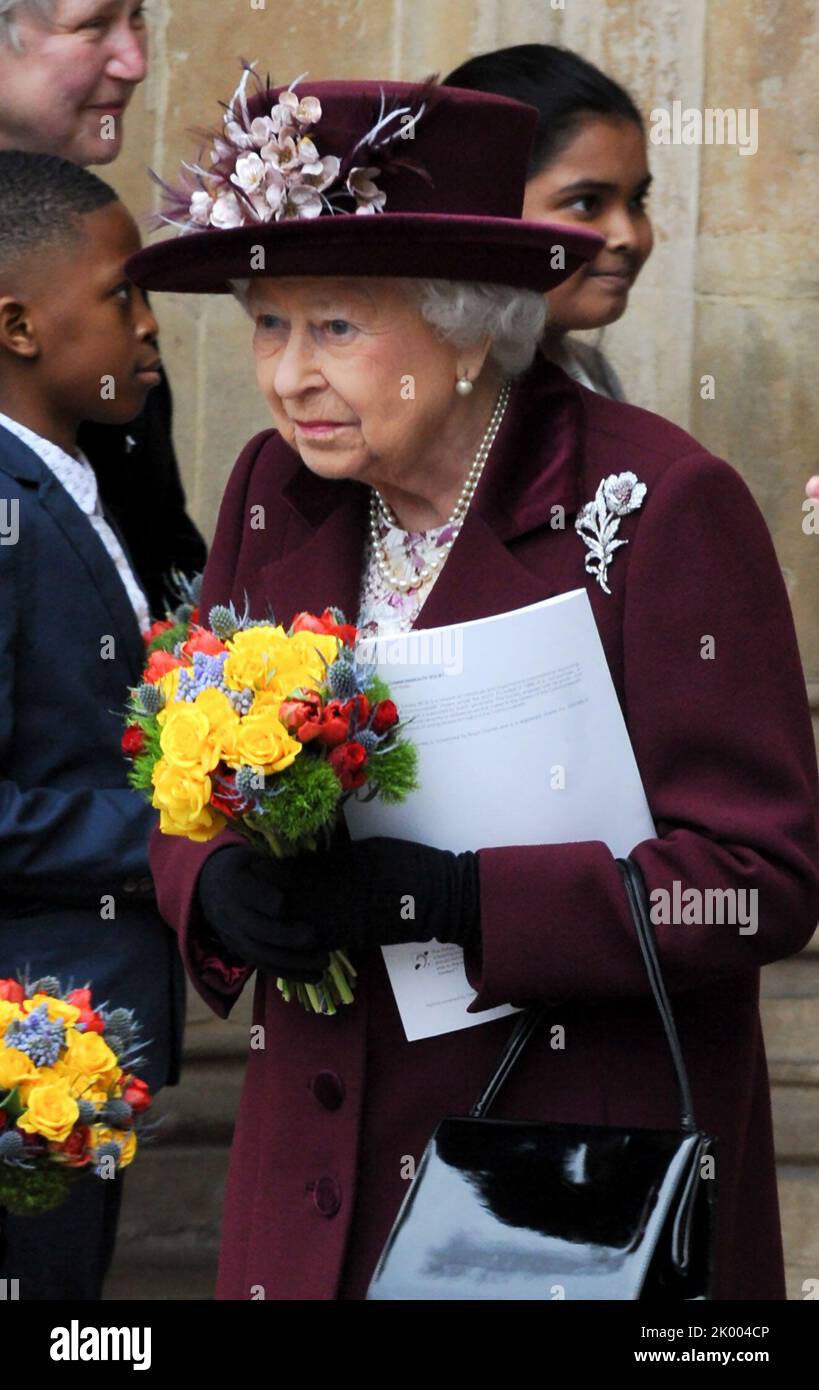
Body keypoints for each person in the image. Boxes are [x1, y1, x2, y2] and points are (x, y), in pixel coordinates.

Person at [130, 74, 819, 1301]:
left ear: (466, 326)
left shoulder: (659, 505)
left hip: (555, 1194)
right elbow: (185, 785)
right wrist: (218, 886)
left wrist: (458, 899)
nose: (286, 377)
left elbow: (758, 881)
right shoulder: (267, 489)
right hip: (310, 1192)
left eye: (334, 327)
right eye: (268, 324)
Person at [0, 151, 186, 1298]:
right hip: (30, 1045)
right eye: (122, 293)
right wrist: (175, 830)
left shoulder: (73, 481)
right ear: (18, 325)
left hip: (80, 1037)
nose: (151, 324)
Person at [0, 0, 207, 613]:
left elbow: (155, 528)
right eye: (92, 26)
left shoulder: (94, 240)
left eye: (137, 15)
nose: (136, 62)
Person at [444, 44, 654, 400]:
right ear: (484, 212)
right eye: (587, 203)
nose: (627, 236)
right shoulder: (432, 405)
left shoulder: (593, 375)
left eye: (637, 201)